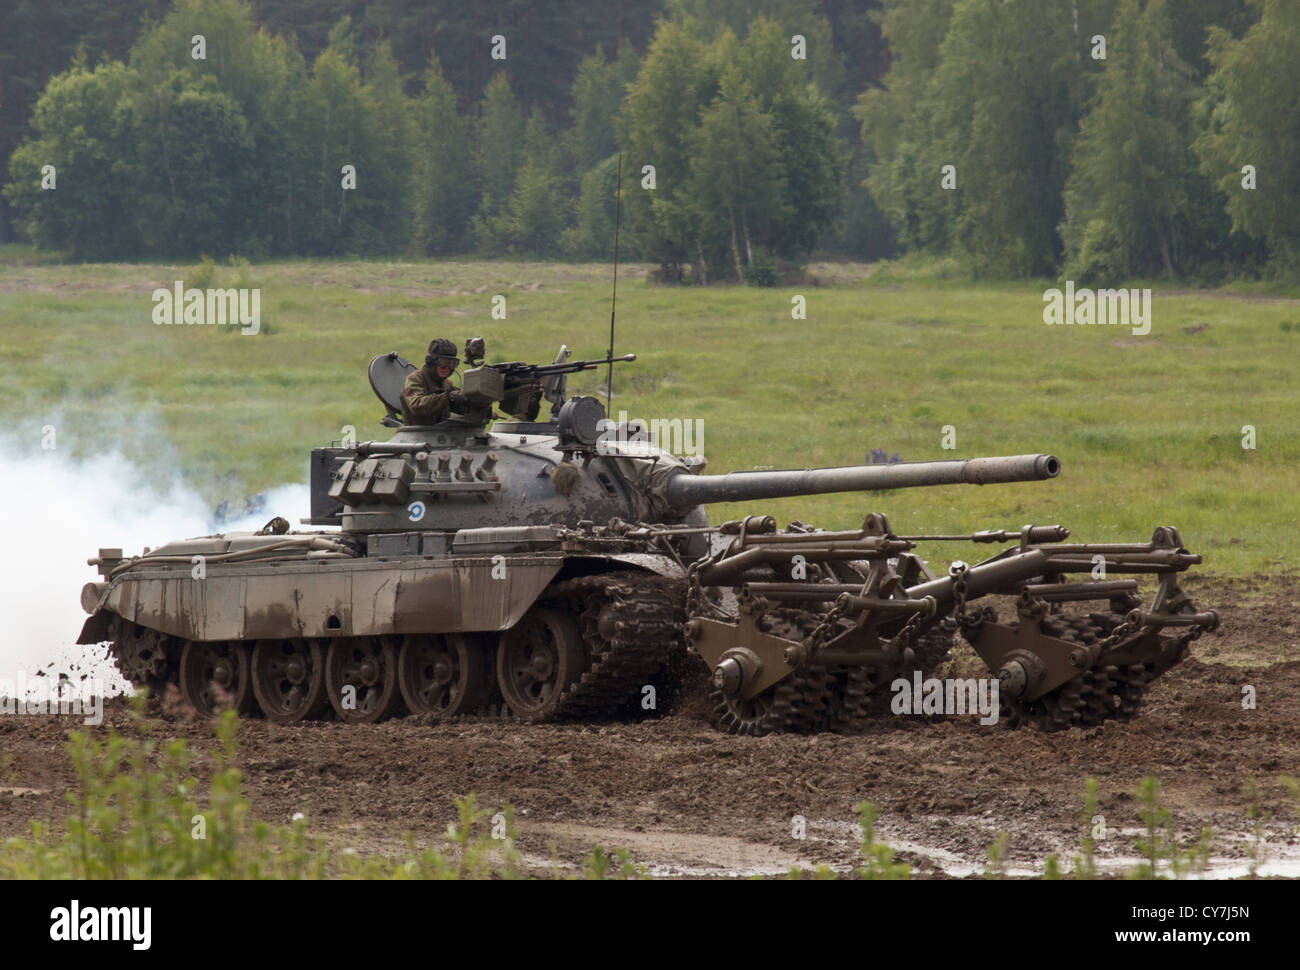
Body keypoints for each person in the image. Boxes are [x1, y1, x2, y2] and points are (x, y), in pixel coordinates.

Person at [401, 338, 468, 424]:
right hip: (418, 432)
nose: (448, 368)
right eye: (444, 362)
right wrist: (447, 398)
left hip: (441, 432)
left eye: (452, 363)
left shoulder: (447, 384)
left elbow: (460, 408)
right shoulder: (415, 379)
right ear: (431, 361)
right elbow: (416, 405)